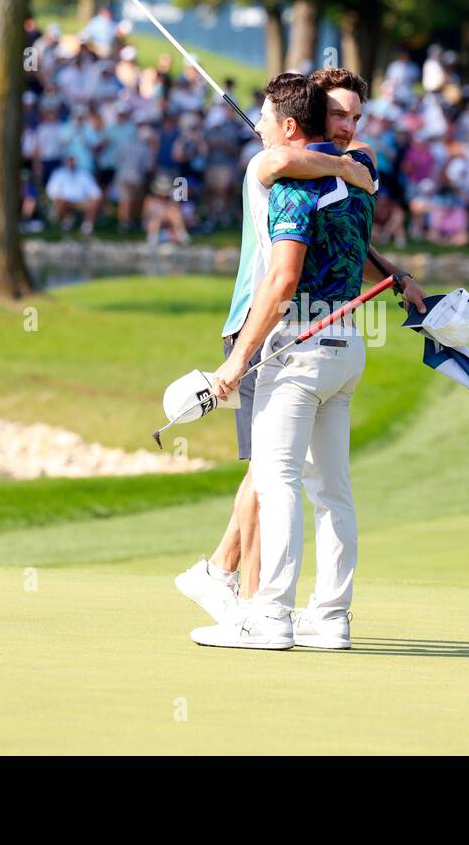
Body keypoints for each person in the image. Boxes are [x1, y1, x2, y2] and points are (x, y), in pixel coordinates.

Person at [174, 70, 425, 640]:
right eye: (340, 116)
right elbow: (328, 192)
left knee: (275, 480)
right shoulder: (356, 176)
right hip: (346, 347)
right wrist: (334, 162)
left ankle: (268, 614)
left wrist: (238, 360)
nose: (350, 130)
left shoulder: (291, 181)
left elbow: (284, 278)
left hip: (287, 339)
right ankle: (327, 616)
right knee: (327, 488)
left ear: (288, 123)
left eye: (356, 119)